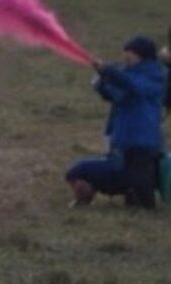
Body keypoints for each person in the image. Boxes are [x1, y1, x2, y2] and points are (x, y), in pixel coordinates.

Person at [66, 35, 166, 210]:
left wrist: (108, 70)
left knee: (142, 205)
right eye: (124, 54)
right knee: (76, 172)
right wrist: (102, 83)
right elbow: (116, 93)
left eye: (129, 54)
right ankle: (89, 197)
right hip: (122, 150)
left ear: (142, 56)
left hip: (143, 152)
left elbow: (132, 86)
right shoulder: (129, 73)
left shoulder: (154, 76)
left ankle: (141, 189)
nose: (125, 58)